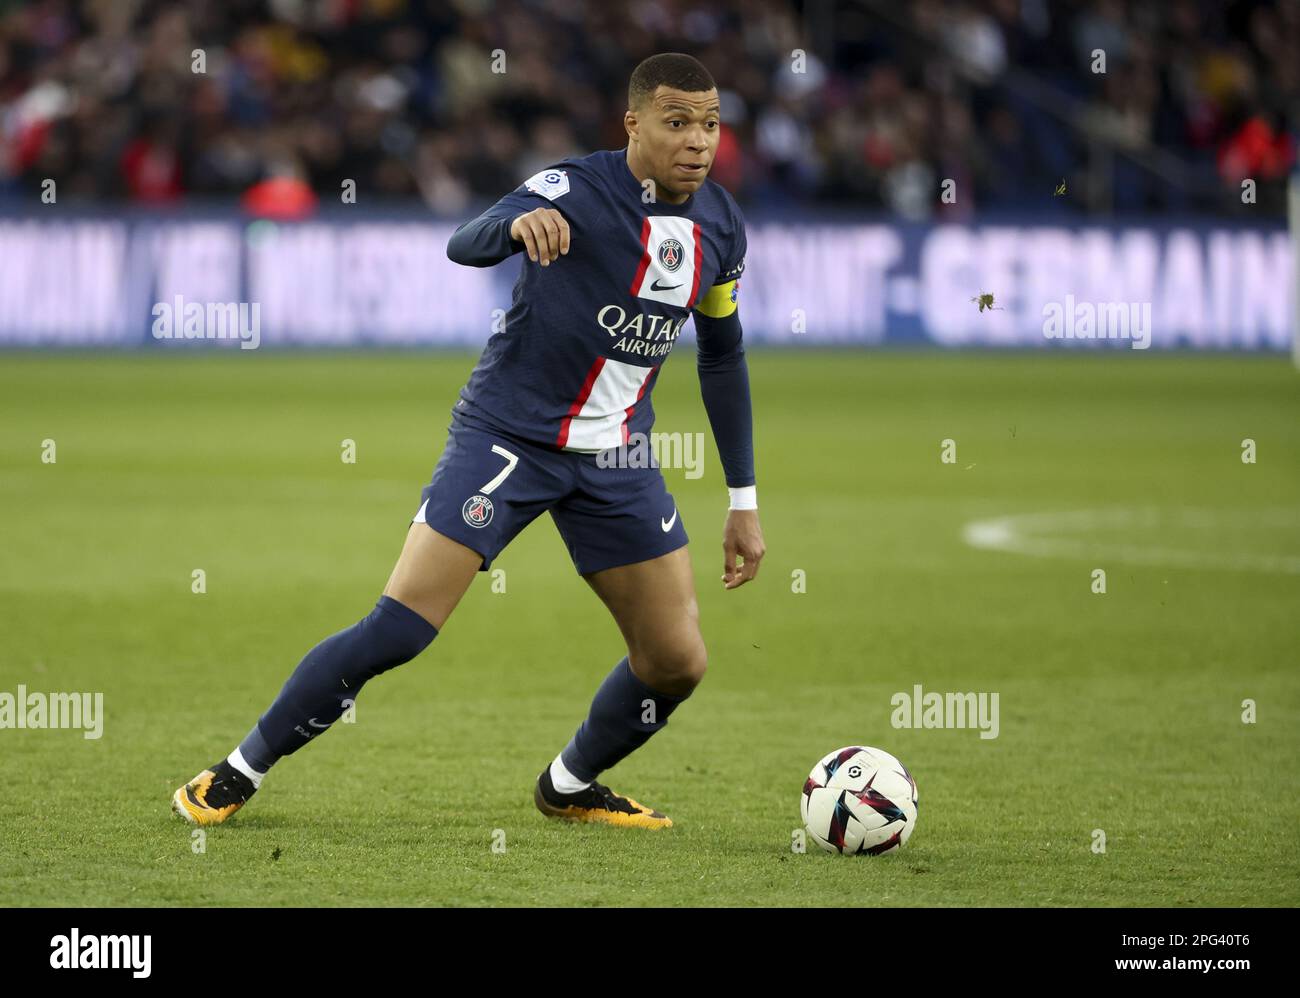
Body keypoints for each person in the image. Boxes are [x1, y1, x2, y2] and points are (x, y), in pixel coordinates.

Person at [172, 52, 764, 830]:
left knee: (676, 663)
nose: (698, 141)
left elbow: (721, 353)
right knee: (400, 629)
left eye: (711, 124)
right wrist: (514, 224)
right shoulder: (576, 188)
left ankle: (570, 784)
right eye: (677, 121)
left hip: (617, 456)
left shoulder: (720, 224)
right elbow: (467, 239)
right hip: (510, 438)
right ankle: (237, 770)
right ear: (634, 124)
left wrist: (743, 500)